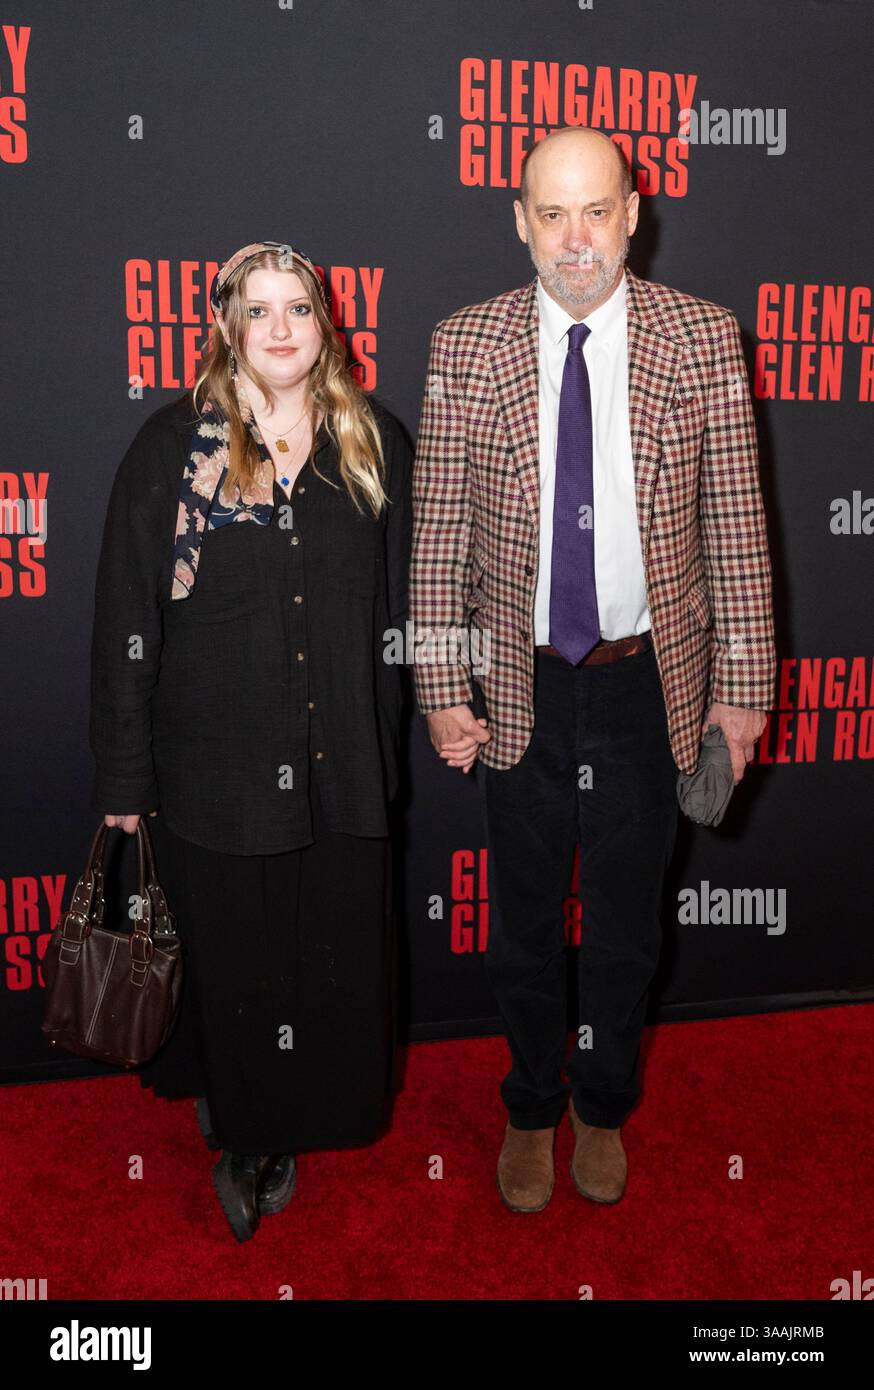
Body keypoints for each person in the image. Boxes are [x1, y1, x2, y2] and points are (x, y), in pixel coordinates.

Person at [409, 129, 776, 1212]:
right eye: (551, 214)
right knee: (521, 923)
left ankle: (600, 1106)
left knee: (624, 927)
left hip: (642, 682)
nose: (576, 239)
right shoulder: (464, 343)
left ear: (631, 214)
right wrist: (441, 684)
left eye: (595, 211)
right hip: (518, 683)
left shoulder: (701, 337)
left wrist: (742, 691)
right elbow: (436, 540)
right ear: (520, 220)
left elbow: (738, 531)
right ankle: (529, 1104)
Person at [89, 241, 412, 1241]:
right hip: (216, 771)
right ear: (226, 326)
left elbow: (412, 603)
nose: (280, 328)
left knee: (329, 954)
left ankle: (316, 1108)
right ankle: (251, 1132)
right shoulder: (173, 450)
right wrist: (124, 776)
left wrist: (425, 717)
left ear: (326, 324)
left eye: (299, 309)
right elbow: (125, 620)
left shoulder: (374, 441)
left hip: (345, 766)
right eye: (258, 310)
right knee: (242, 961)